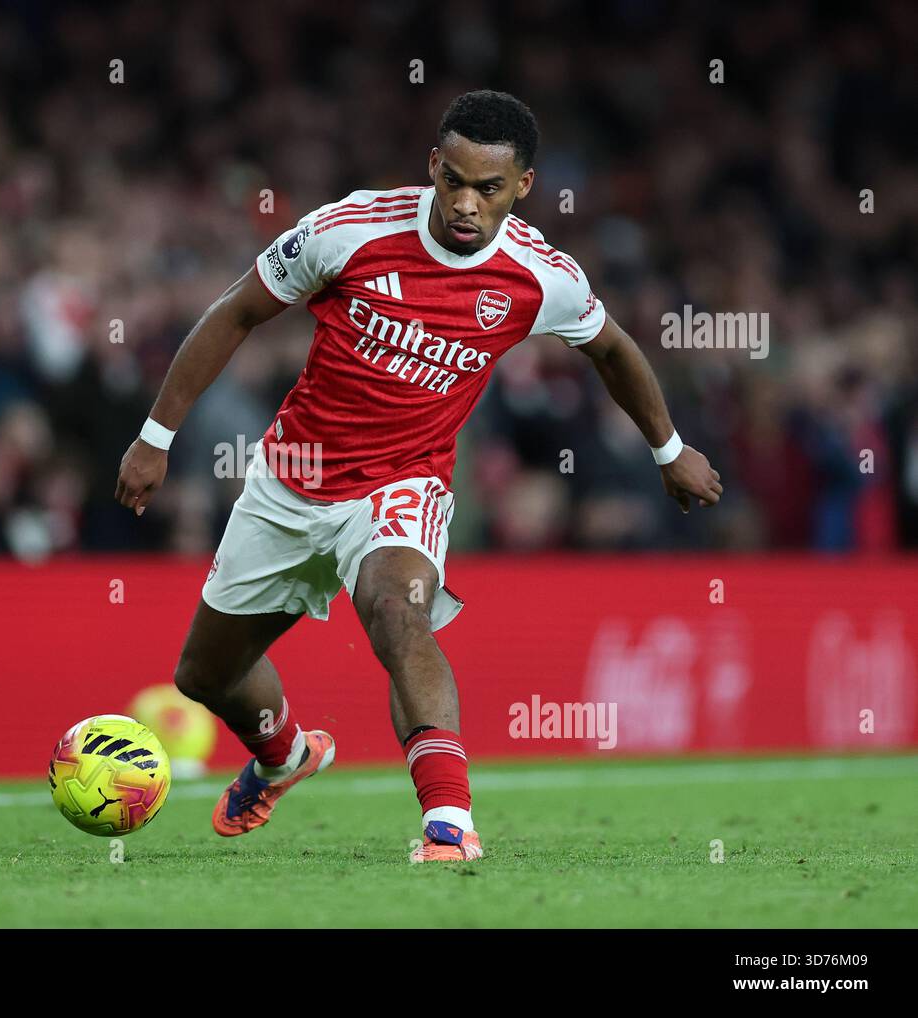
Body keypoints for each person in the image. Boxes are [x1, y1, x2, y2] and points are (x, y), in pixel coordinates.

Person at [115, 90, 723, 862]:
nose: (467, 204)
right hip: (290, 479)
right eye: (454, 181)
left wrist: (670, 452)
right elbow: (235, 312)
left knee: (397, 613)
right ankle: (285, 757)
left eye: (490, 189)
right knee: (204, 674)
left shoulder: (541, 277)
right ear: (434, 166)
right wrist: (155, 436)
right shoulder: (349, 231)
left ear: (524, 186)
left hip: (404, 486)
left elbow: (613, 349)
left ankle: (448, 822)